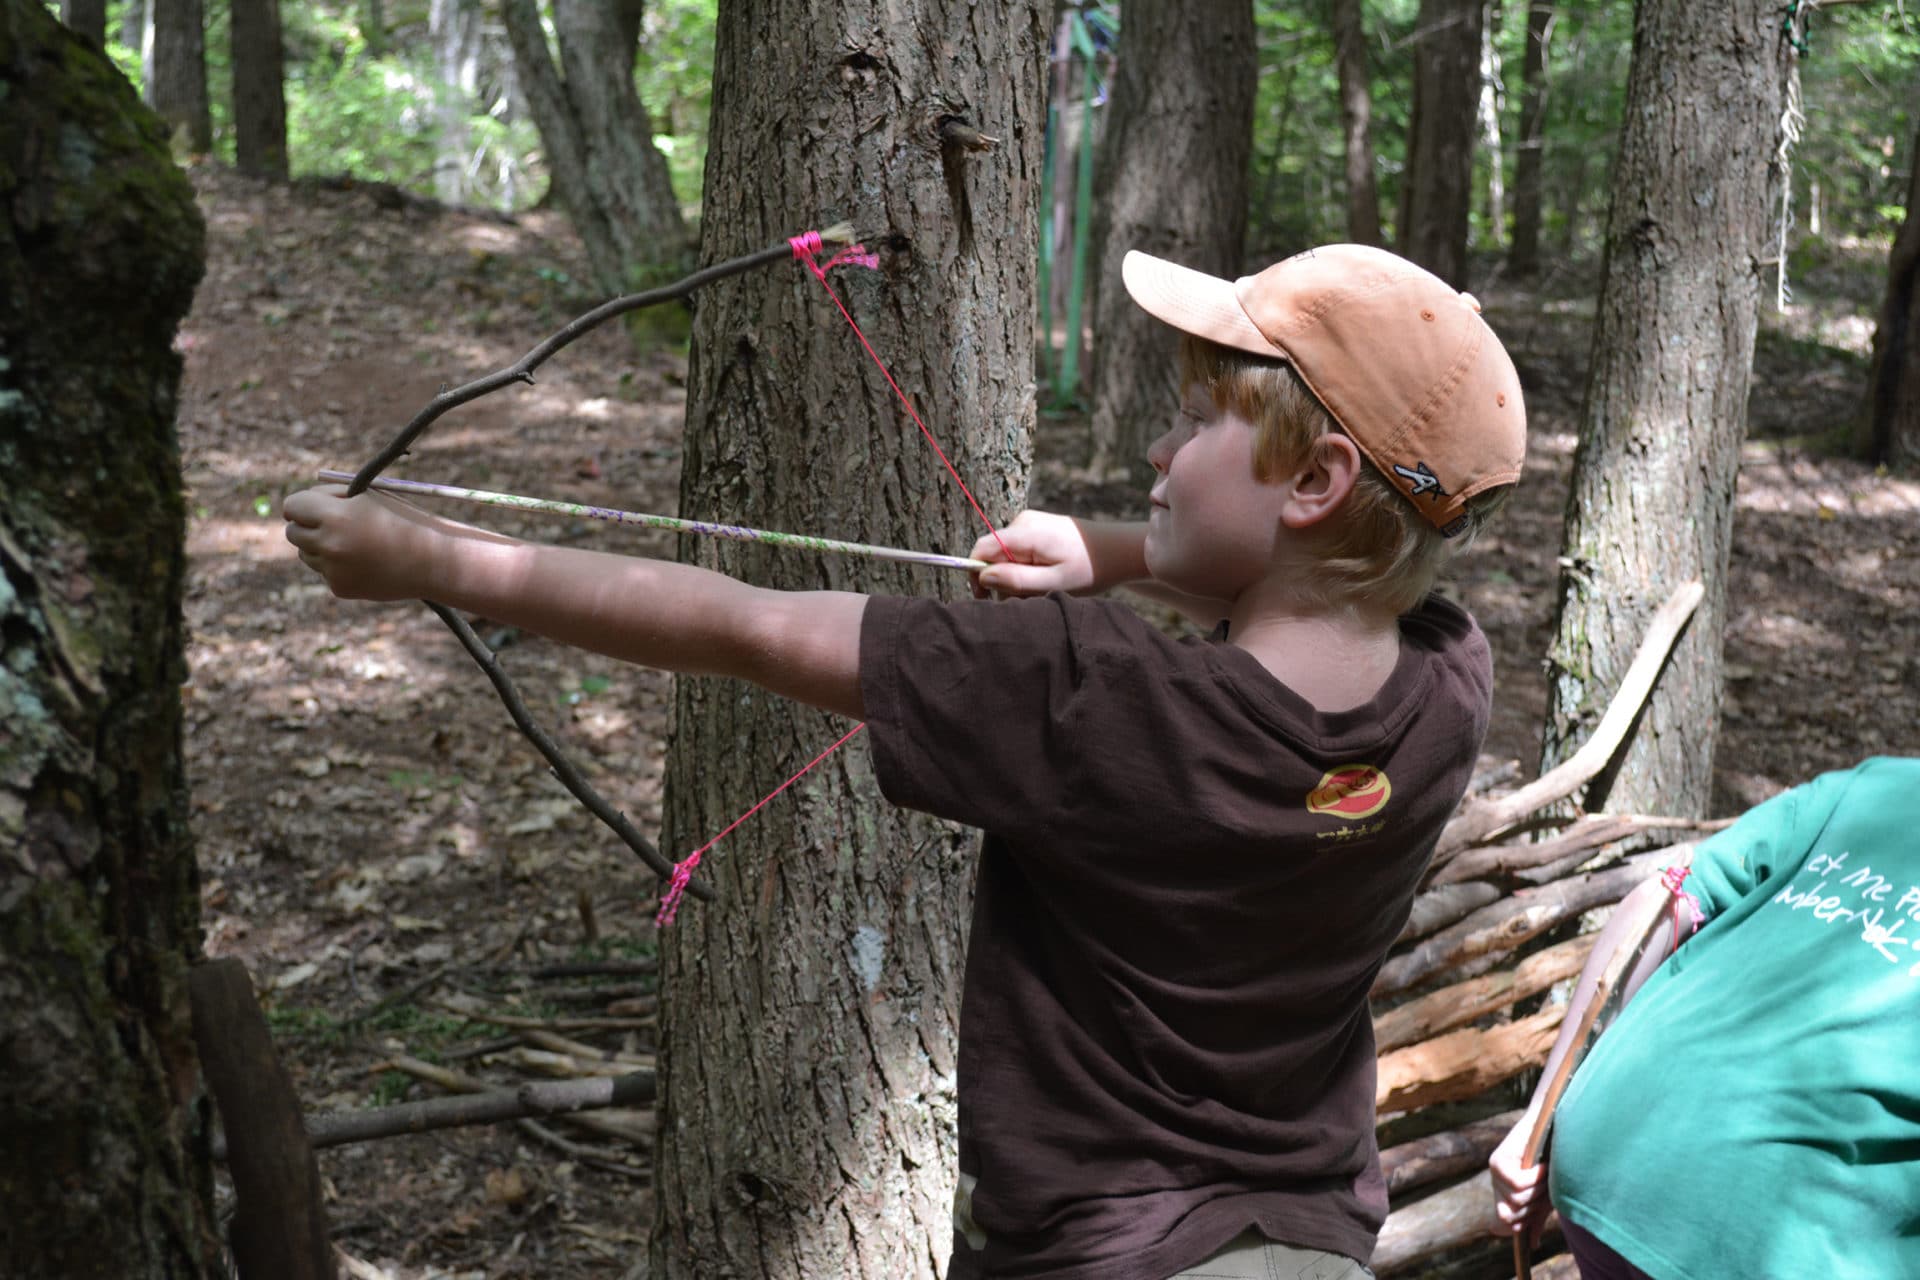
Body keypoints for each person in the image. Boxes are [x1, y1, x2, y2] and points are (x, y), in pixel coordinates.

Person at [285, 244, 1527, 1280]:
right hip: (1310, 1247)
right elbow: (1336, 594)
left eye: (1199, 420)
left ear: (1314, 481)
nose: (1160, 445)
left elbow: (742, 623)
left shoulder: (1086, 694)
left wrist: (433, 562)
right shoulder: (1445, 687)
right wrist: (1116, 550)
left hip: (1107, 1252)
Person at [1489, 756, 1920, 1280]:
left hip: (1609, 1144)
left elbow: (1665, 899)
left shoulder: (1874, 784)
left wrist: (1542, 1120)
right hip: (1774, 1231)